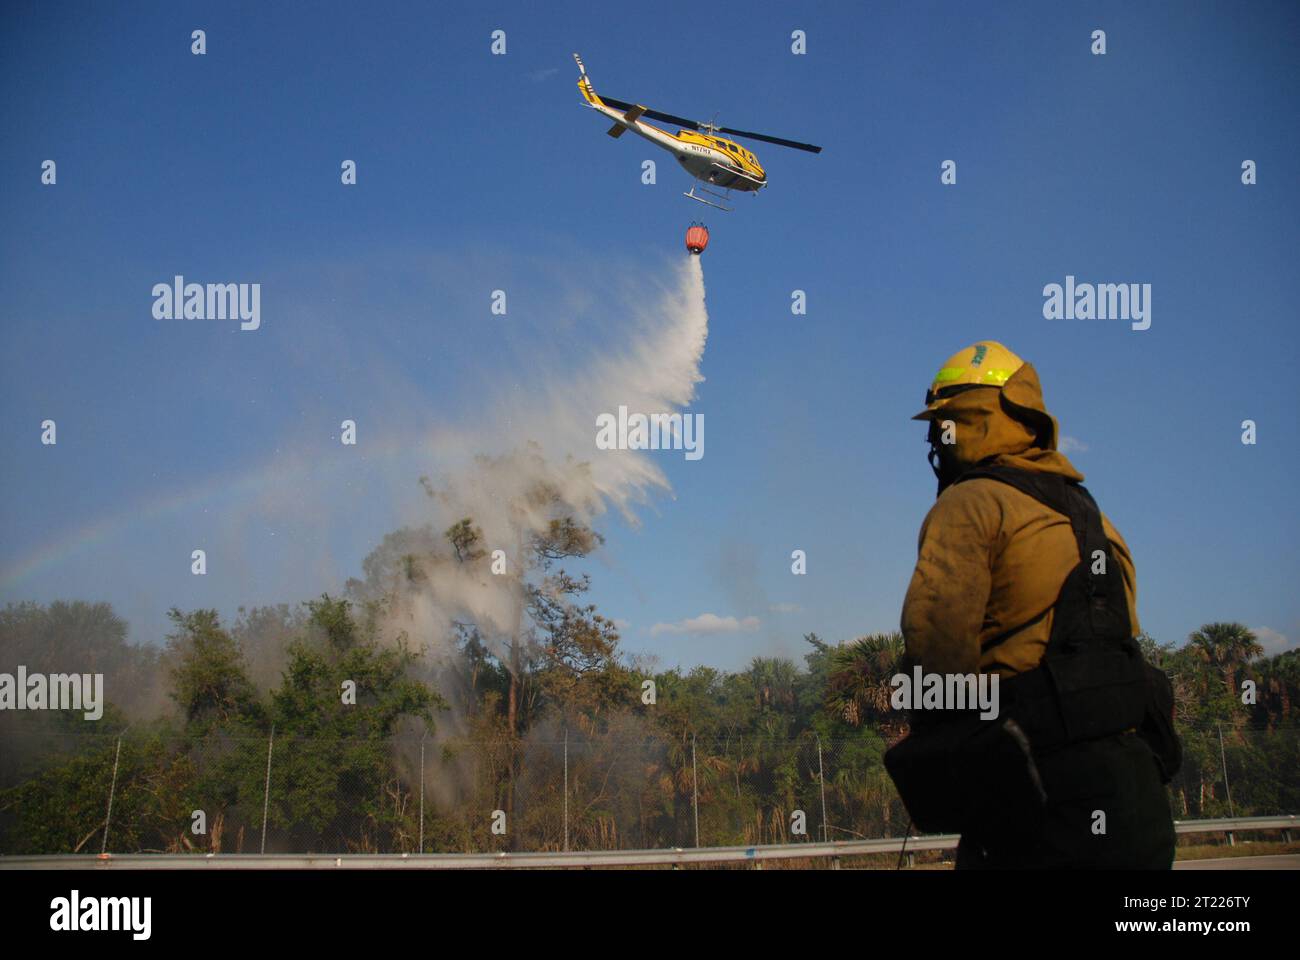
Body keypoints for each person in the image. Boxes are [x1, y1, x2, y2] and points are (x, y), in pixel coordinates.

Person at [889, 340, 1177, 869]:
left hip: (1040, 806)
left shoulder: (971, 503)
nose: (937, 441)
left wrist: (940, 745)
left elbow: (936, 645)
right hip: (1138, 801)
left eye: (941, 425)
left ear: (970, 421)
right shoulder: (1092, 516)